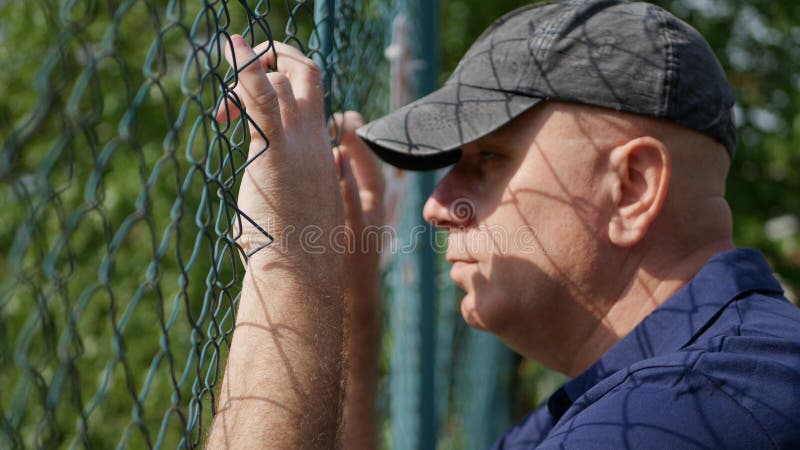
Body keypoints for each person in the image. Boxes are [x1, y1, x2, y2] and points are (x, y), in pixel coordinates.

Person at [207, 1, 800, 448]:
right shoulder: (669, 384)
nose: (436, 208)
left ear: (632, 188)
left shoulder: (680, 411)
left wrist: (288, 266)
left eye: (486, 159)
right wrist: (347, 299)